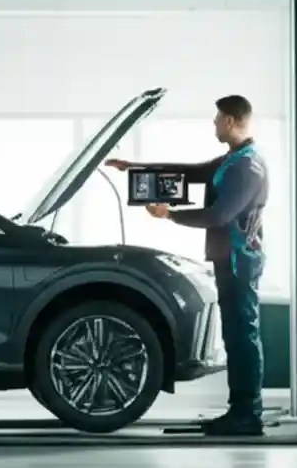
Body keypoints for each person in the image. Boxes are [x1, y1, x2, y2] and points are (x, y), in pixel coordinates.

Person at [106, 95, 269, 436]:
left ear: (229, 120)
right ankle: (240, 411)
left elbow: (219, 216)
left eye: (216, 119)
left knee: (242, 336)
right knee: (236, 334)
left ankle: (248, 414)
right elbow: (192, 172)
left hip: (240, 262)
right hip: (230, 259)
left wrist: (170, 215)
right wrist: (136, 169)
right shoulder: (234, 159)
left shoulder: (247, 166)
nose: (213, 124)